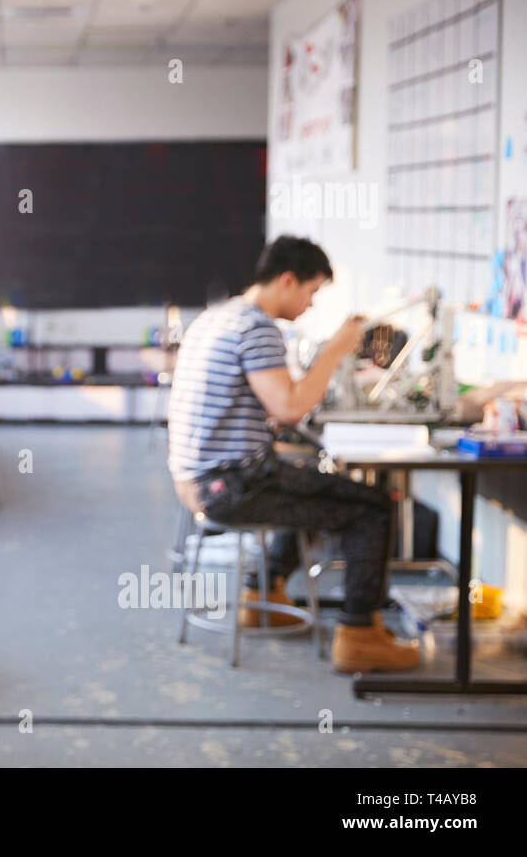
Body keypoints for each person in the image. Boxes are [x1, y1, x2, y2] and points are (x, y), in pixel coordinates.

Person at [168, 235, 420, 673]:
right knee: (372, 507)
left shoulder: (219, 317)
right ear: (287, 281)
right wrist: (334, 350)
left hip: (197, 480)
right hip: (232, 487)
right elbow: (290, 407)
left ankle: (262, 594)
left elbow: (270, 407)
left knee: (306, 480)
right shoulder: (256, 326)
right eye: (312, 291)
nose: (310, 304)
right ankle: (360, 636)